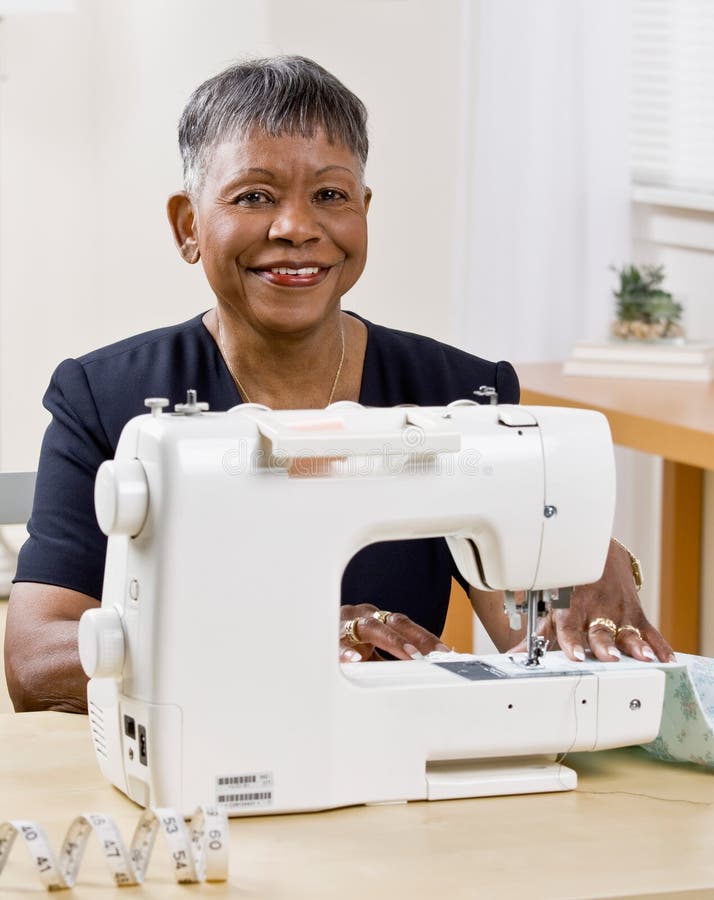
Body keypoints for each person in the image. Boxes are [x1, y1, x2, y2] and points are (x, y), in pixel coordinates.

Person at [3, 56, 673, 714]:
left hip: (395, 774)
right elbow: (35, 658)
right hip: (194, 768)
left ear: (363, 211)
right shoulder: (102, 399)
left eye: (330, 195)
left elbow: (529, 637)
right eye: (255, 196)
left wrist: (581, 560)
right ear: (188, 226)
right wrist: (276, 644)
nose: (298, 228)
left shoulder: (460, 391)